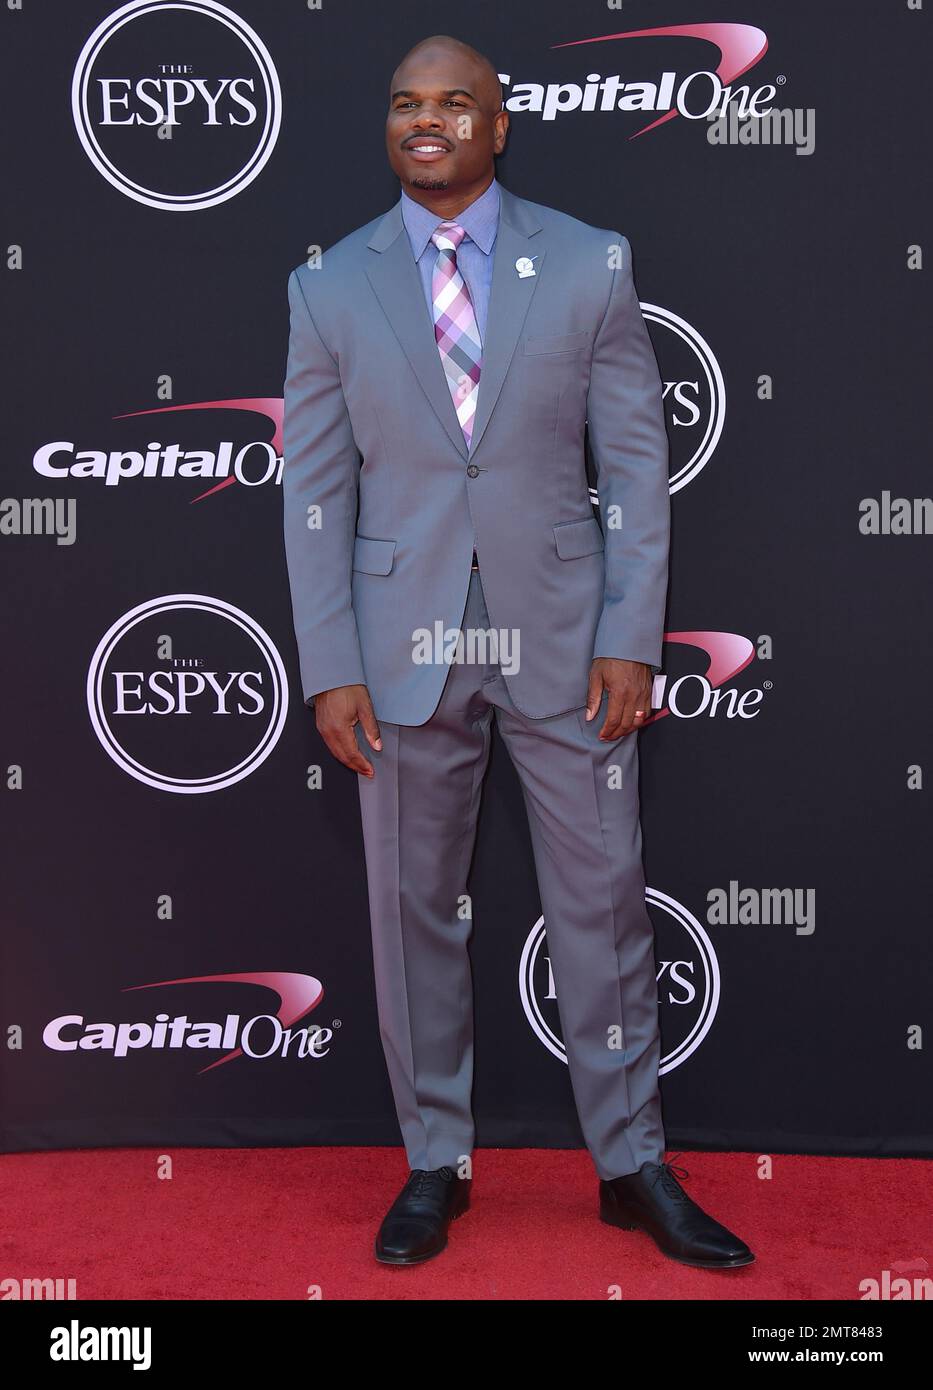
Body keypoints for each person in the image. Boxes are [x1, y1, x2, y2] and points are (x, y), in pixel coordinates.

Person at [282, 33, 753, 1271]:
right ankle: (435, 1160)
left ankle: (630, 1162)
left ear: (499, 125)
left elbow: (637, 471)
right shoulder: (330, 286)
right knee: (411, 911)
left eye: (452, 104)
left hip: (563, 639)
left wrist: (631, 637)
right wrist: (330, 662)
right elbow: (314, 490)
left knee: (601, 904)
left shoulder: (590, 265)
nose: (424, 121)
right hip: (401, 648)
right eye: (404, 104)